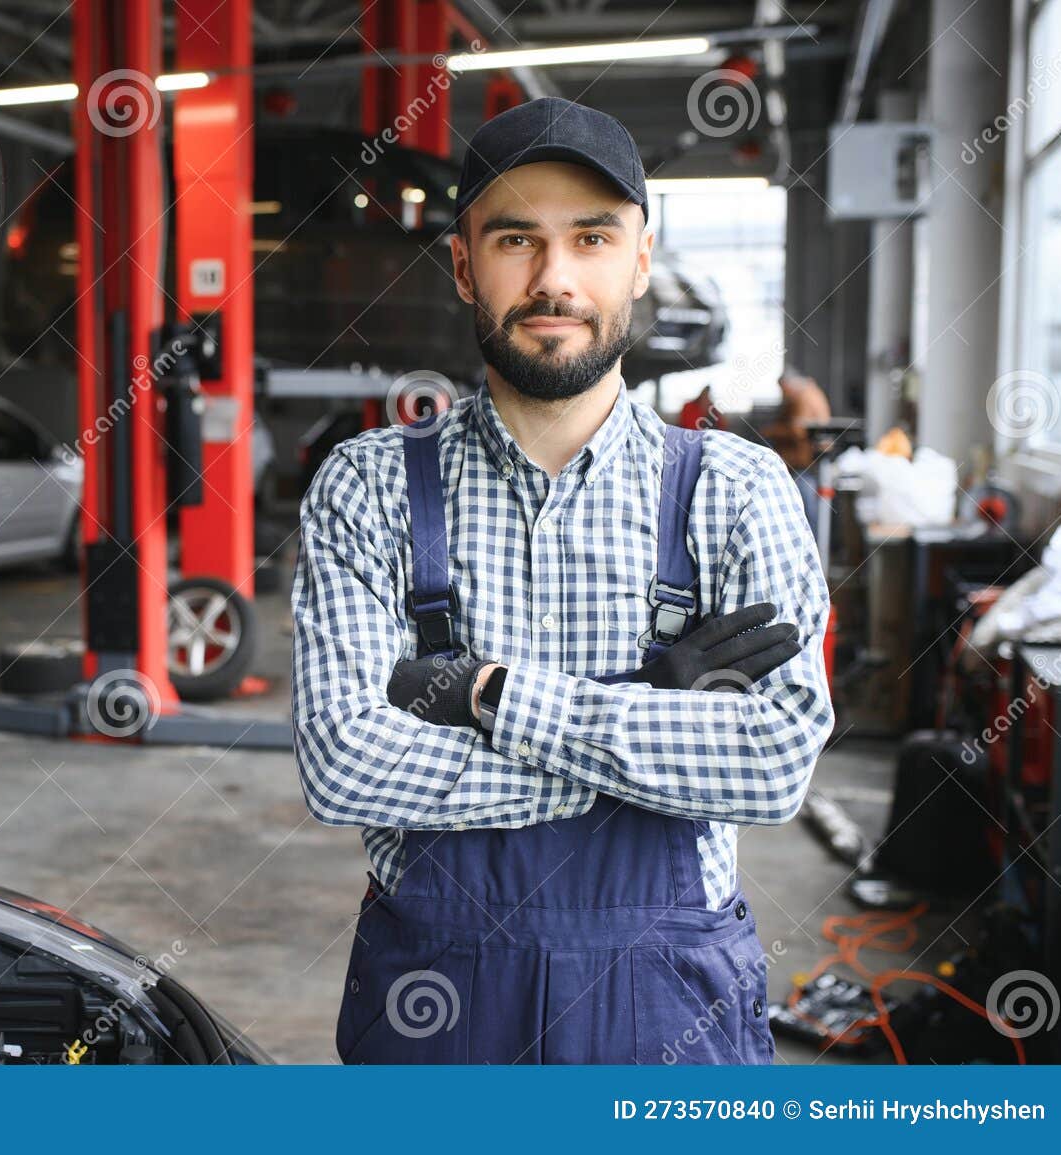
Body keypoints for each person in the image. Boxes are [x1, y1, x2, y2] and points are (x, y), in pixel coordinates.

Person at [291, 96, 834, 1064]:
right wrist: (647, 725)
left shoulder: (738, 493)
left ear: (639, 259)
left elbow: (770, 764)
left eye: (590, 238)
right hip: (436, 1005)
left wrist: (491, 696)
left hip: (667, 1011)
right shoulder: (366, 489)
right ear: (463, 265)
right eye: (515, 240)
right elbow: (344, 763)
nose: (554, 279)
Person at [763, 371, 833, 522]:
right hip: (807, 462)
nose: (783, 395)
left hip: (802, 463)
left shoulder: (803, 398)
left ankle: (809, 542)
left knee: (804, 509)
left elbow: (798, 431)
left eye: (783, 390)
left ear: (788, 385)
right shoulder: (812, 392)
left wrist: (772, 431)